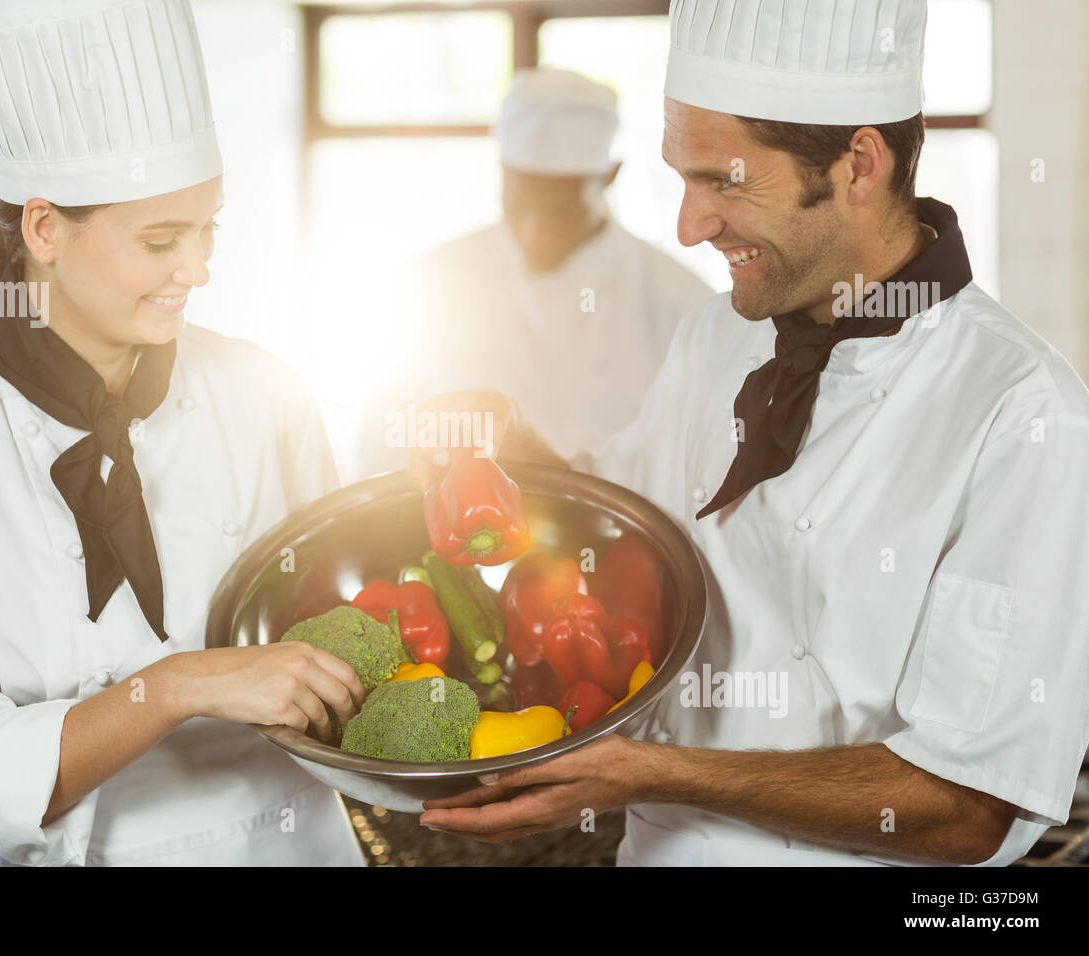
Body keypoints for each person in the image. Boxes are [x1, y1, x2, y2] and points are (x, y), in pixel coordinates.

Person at [414, 0, 1089, 866]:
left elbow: (970, 807)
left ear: (859, 163)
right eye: (682, 178)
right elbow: (622, 530)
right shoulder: (715, 334)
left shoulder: (1024, 414)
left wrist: (653, 773)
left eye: (724, 181)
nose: (689, 225)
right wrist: (505, 440)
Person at [0, 0, 366, 866]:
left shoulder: (266, 393)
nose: (196, 270)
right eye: (162, 240)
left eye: (208, 230)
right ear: (44, 229)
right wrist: (168, 690)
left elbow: (351, 631)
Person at [358, 68, 712, 478]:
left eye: (560, 212)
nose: (533, 231)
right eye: (519, 203)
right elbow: (382, 443)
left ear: (610, 176)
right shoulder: (432, 281)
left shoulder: (684, 305)